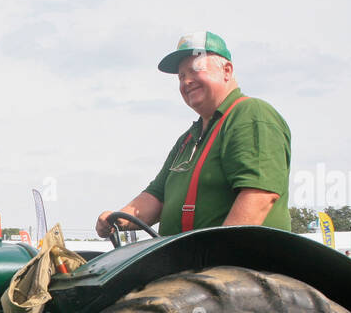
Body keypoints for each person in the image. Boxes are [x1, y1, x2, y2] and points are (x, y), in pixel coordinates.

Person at [96, 31, 291, 239]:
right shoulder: (188, 139)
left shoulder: (251, 114)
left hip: (245, 264)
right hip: (194, 264)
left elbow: (259, 196)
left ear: (227, 70)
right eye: (181, 76)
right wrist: (117, 218)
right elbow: (156, 197)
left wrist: (219, 252)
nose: (187, 81)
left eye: (195, 70)